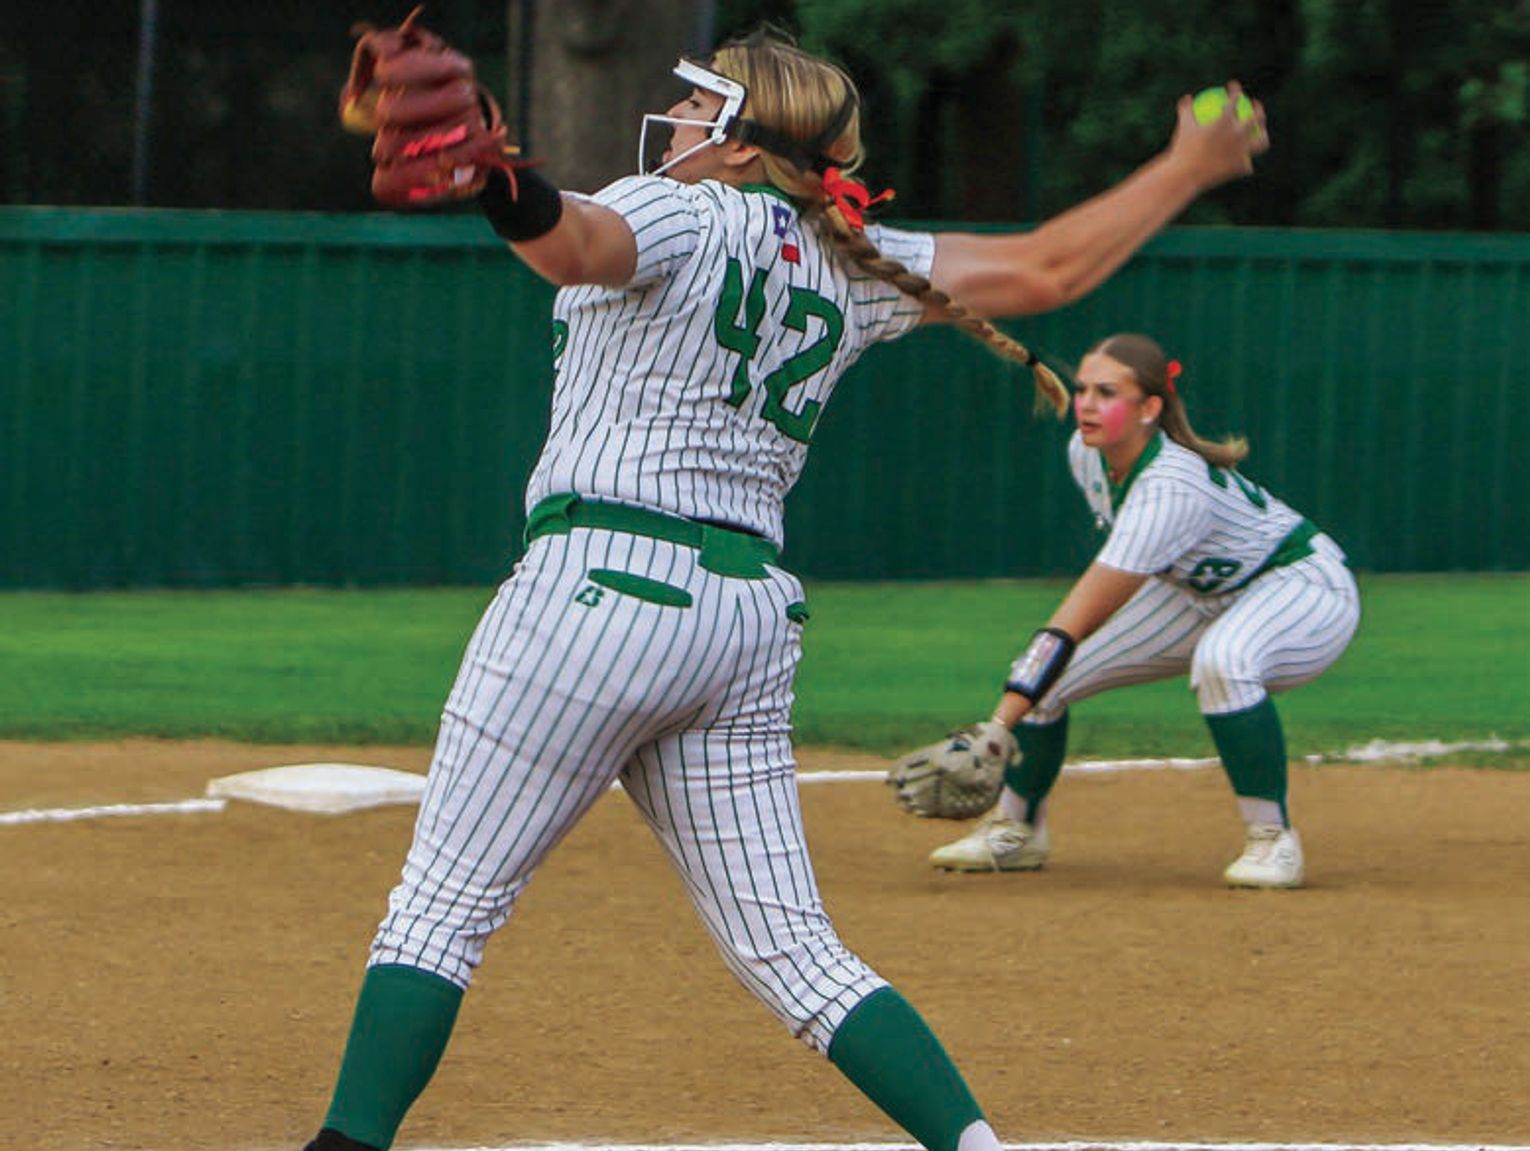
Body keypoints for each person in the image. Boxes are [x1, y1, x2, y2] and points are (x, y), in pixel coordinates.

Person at [303, 27, 1269, 1151]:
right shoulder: (857, 256)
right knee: (794, 949)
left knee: (438, 913)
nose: (673, 121)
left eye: (696, 104)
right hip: (746, 620)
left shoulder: (685, 207)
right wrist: (1188, 168)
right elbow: (1051, 267)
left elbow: (573, 244)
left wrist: (498, 179)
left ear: (743, 138)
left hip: (596, 592)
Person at [917, 332, 1360, 889]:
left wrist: (996, 726)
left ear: (1150, 408)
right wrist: (1016, 707)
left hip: (1300, 585)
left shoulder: (1171, 487)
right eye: (1081, 389)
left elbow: (1077, 616)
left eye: (1107, 392)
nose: (1086, 404)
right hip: (1196, 590)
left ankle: (1273, 841)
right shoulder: (1087, 453)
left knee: (1223, 661)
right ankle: (1017, 830)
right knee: (1046, 678)